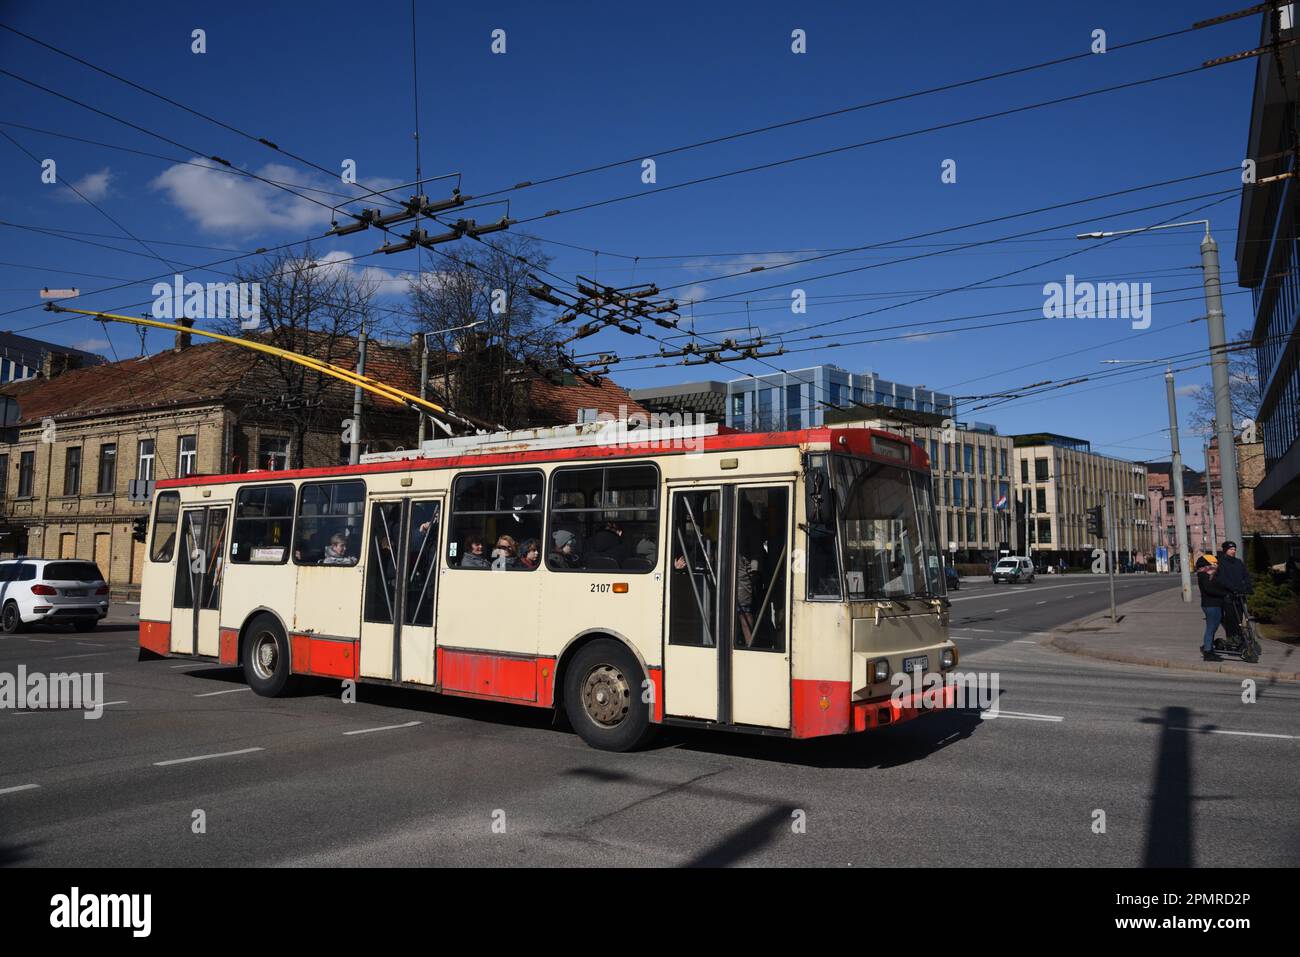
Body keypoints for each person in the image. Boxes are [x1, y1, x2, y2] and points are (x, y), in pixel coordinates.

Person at [1215, 540, 1252, 638]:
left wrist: (1247, 587)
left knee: (1240, 618)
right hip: (1229, 596)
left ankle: (1240, 637)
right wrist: (1233, 588)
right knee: (1231, 619)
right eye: (1231, 549)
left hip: (1239, 595)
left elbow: (1246, 576)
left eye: (1234, 549)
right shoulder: (1222, 563)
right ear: (1225, 550)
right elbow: (1222, 579)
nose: (1233, 551)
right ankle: (1231, 639)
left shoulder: (1238, 562)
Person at [1195, 551, 1226, 662]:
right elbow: (1209, 589)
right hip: (1210, 605)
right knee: (1211, 628)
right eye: (1214, 564)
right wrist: (1223, 593)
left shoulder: (1211, 575)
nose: (1216, 566)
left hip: (1215, 604)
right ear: (1207, 565)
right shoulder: (1204, 576)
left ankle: (1209, 648)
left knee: (1213, 628)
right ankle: (1208, 651)